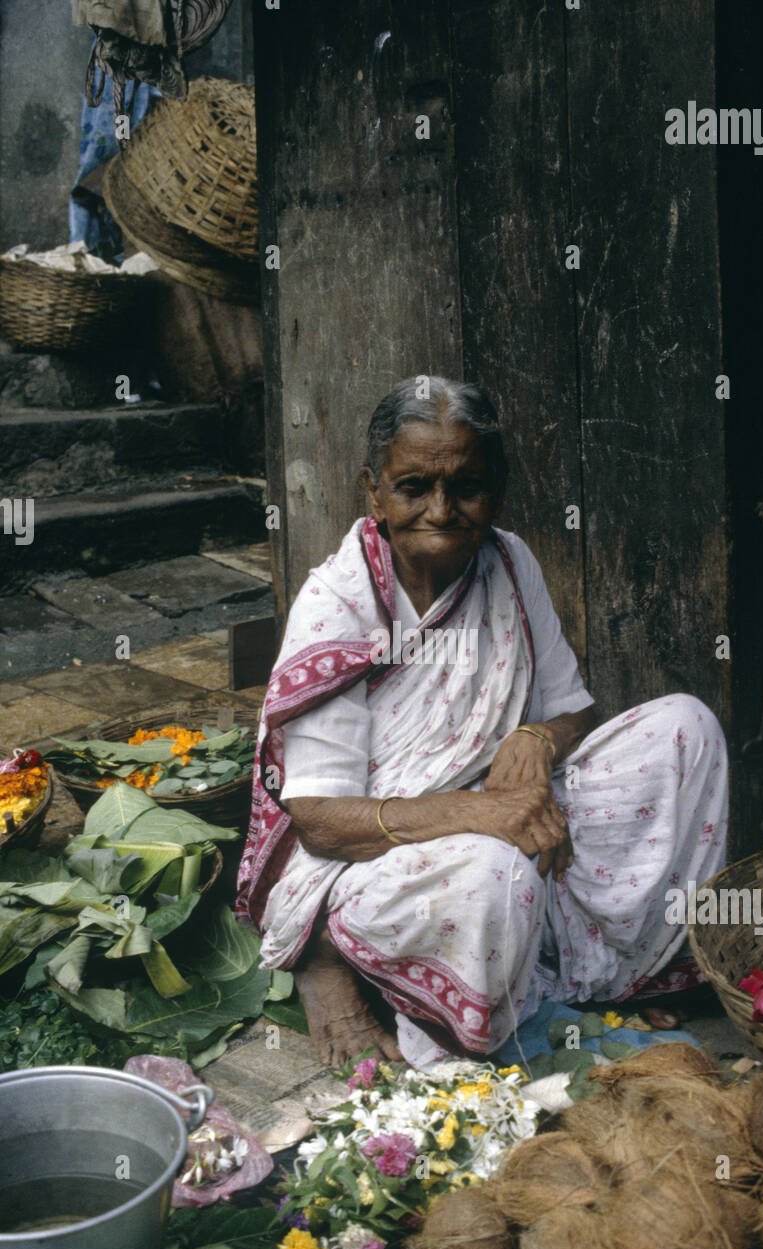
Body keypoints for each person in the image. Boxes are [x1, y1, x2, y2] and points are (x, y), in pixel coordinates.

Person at [236, 377, 728, 1069]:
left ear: (494, 490)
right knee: (494, 873)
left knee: (686, 728)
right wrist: (481, 815)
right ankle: (361, 971)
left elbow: (573, 710)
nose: (441, 510)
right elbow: (319, 819)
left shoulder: (508, 559)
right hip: (381, 855)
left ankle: (606, 975)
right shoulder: (340, 605)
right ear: (372, 491)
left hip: (510, 814)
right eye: (414, 487)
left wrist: (534, 738)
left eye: (466, 487)